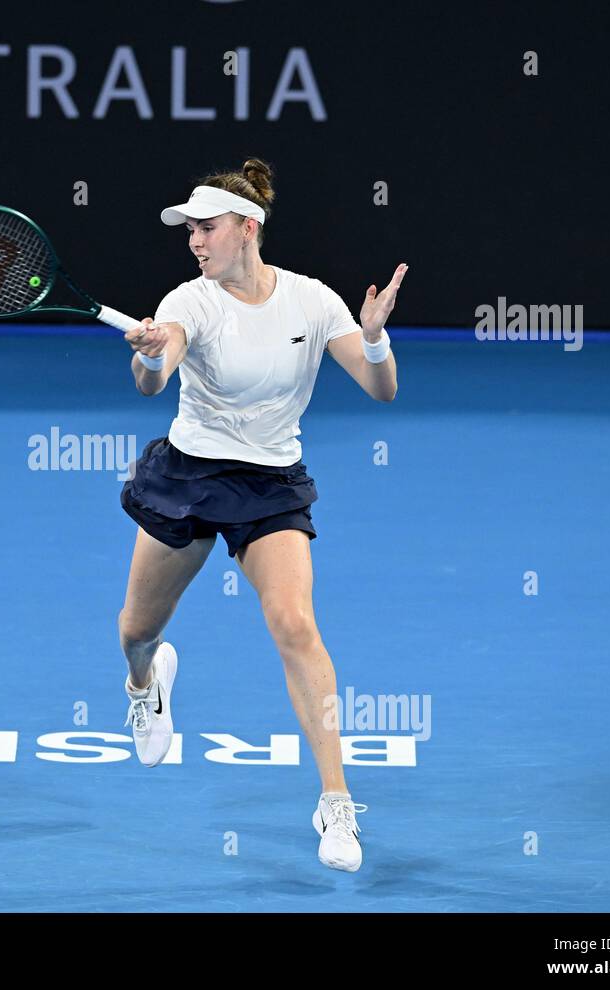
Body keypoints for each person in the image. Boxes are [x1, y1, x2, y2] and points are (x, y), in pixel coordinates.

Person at [117, 158, 406, 873]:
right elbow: (154, 380)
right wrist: (152, 357)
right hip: (189, 476)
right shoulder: (190, 301)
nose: (194, 241)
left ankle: (335, 802)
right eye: (188, 231)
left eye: (205, 228)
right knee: (135, 632)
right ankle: (144, 684)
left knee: (296, 624)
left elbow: (382, 389)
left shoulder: (312, 302)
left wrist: (374, 336)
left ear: (248, 229)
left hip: (270, 485)